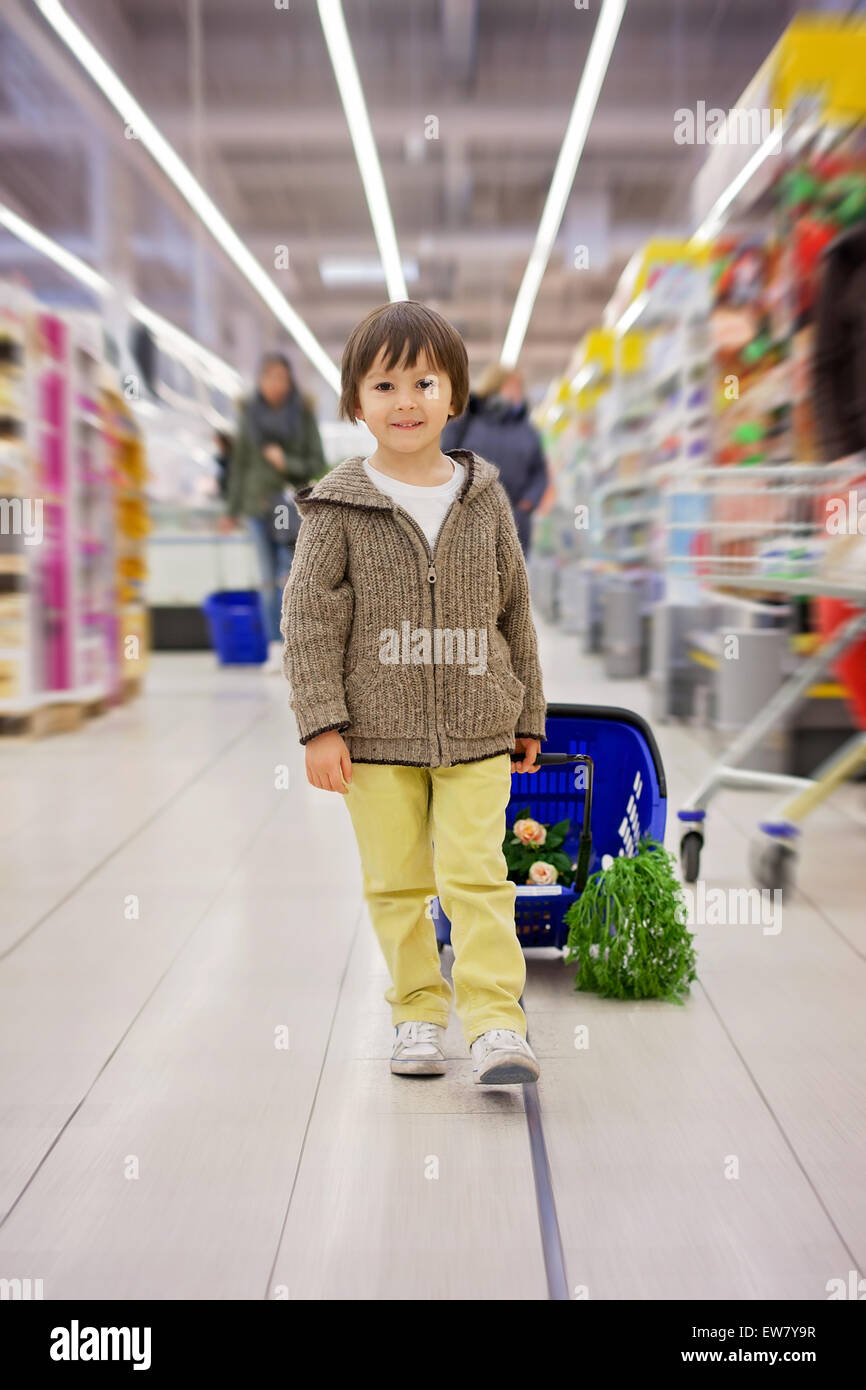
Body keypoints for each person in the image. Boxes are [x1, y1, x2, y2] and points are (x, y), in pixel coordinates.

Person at [280, 301, 548, 1087]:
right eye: (384, 384)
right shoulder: (337, 505)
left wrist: (526, 710)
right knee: (397, 883)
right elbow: (308, 620)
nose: (406, 401)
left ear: (455, 395)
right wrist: (320, 725)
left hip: (478, 729)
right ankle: (417, 1016)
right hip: (375, 736)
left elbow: (515, 611)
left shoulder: (485, 497)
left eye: (424, 382)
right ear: (355, 402)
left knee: (477, 876)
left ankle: (497, 1022)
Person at [221, 351, 326, 672]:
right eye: (270, 377)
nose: (276, 384)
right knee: (266, 577)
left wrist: (286, 462)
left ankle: (291, 643)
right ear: (260, 380)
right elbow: (239, 466)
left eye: (281, 378)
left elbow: (316, 464)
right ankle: (272, 643)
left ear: (290, 380)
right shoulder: (249, 416)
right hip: (257, 506)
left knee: (288, 578)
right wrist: (232, 509)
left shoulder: (302, 415)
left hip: (290, 507)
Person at [440, 361, 550, 558]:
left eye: (519, 387)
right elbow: (444, 456)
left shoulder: (527, 431)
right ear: (494, 386)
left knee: (512, 581)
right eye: (512, 386)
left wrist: (528, 503)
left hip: (516, 518)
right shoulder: (467, 420)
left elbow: (539, 472)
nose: (517, 392)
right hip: (471, 514)